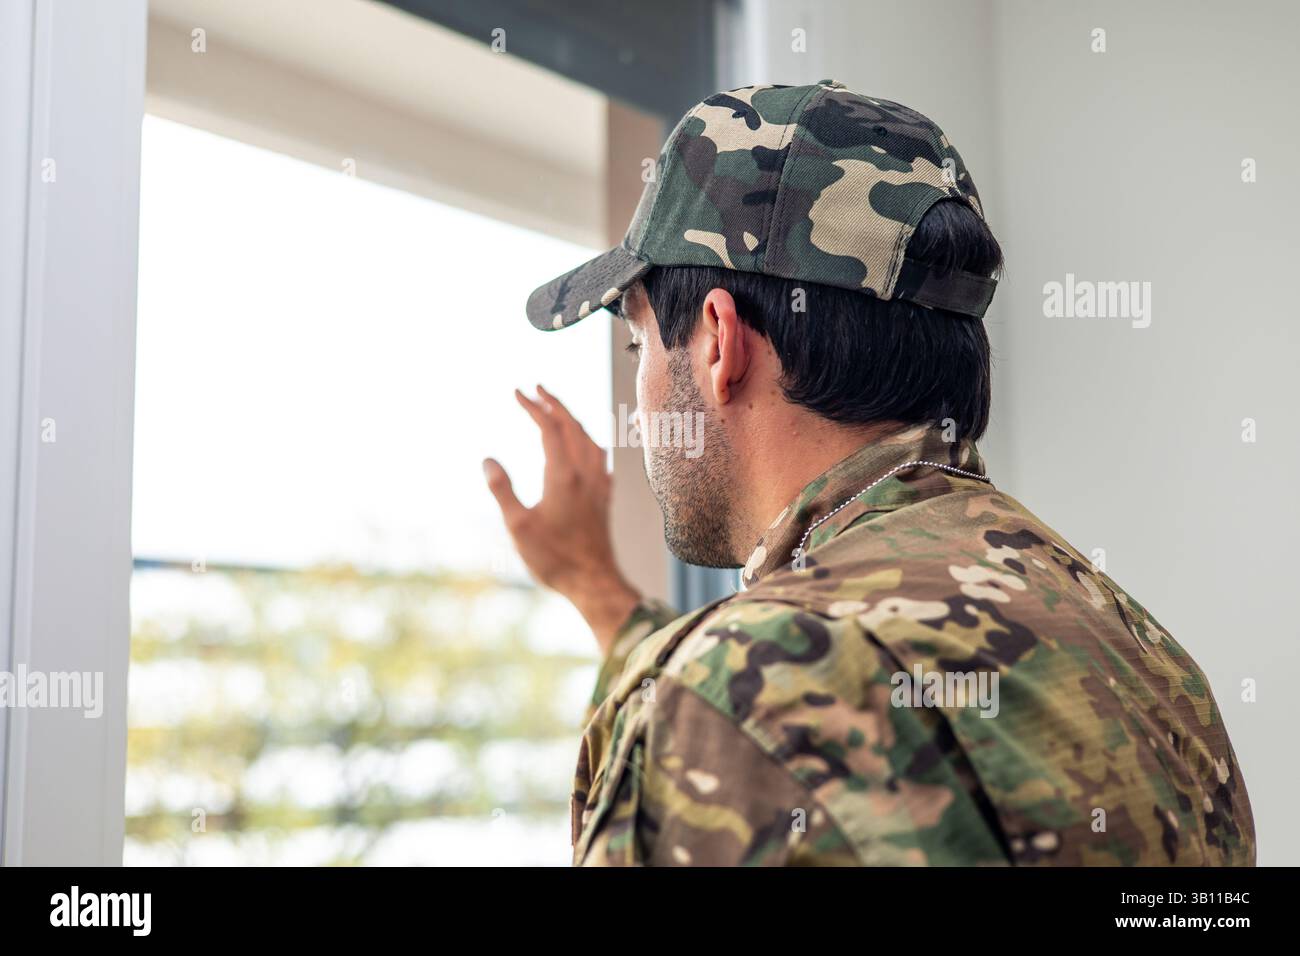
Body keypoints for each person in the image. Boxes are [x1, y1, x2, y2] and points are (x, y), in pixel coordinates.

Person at [484, 81, 1255, 866]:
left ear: (719, 341)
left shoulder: (733, 700)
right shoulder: (1143, 653)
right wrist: (596, 588)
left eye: (637, 346)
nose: (639, 402)